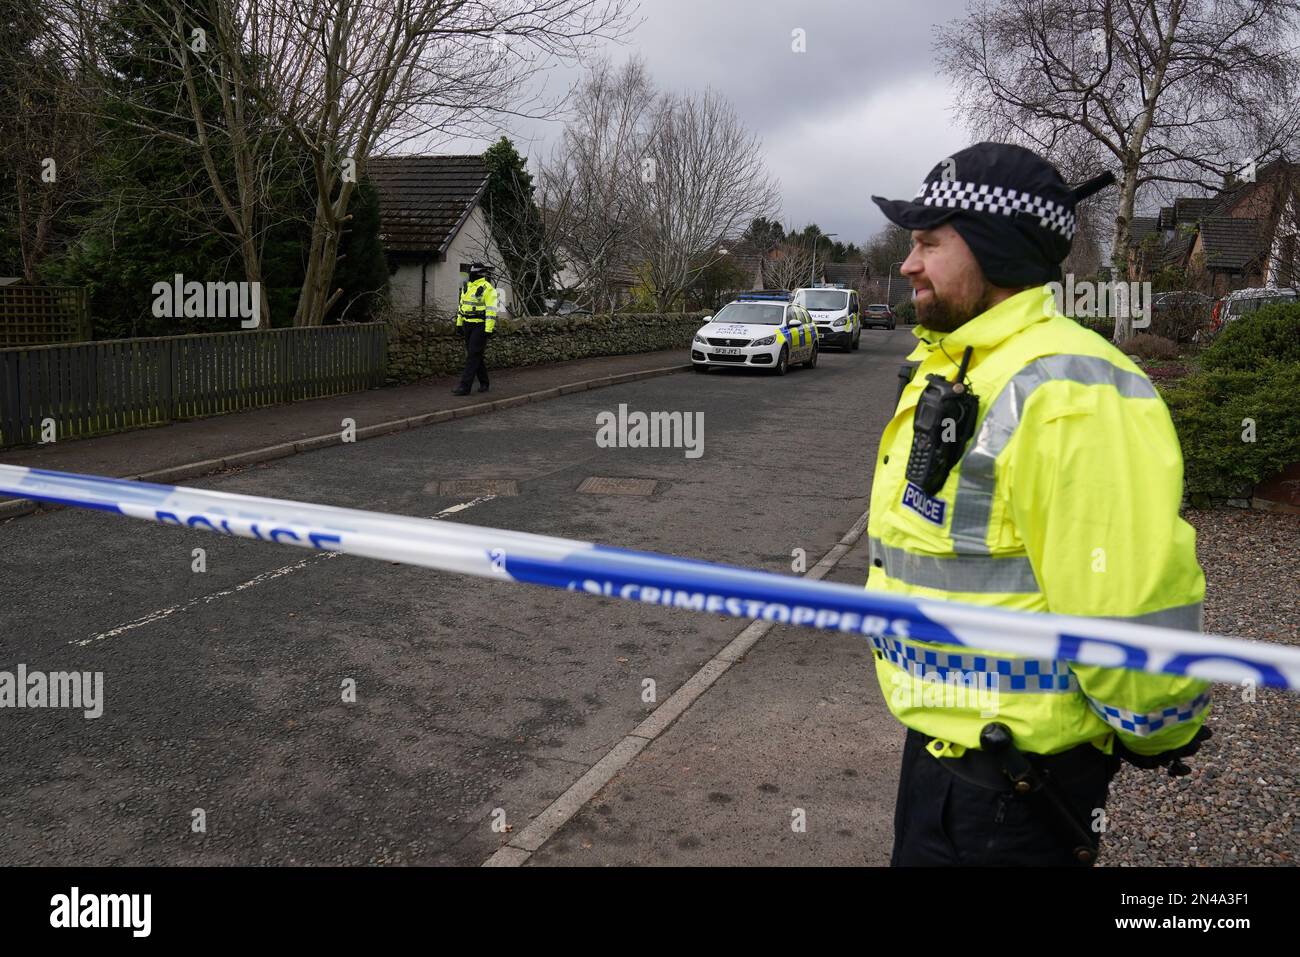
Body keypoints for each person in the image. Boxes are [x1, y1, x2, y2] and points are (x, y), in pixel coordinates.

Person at [867, 142, 1212, 867]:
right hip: (939, 762)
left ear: (993, 248)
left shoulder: (1070, 393)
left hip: (1015, 793)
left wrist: (1159, 725)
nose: (908, 263)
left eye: (929, 241)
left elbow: (1127, 603)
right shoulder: (962, 361)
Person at [452, 262, 499, 396]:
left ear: (477, 274)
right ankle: (484, 382)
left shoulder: (487, 288)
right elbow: (462, 306)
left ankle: (464, 386)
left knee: (473, 355)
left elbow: (491, 311)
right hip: (467, 325)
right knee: (476, 355)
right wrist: (459, 323)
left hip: (480, 325)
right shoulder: (467, 287)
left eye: (471, 273)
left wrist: (488, 329)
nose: (469, 275)